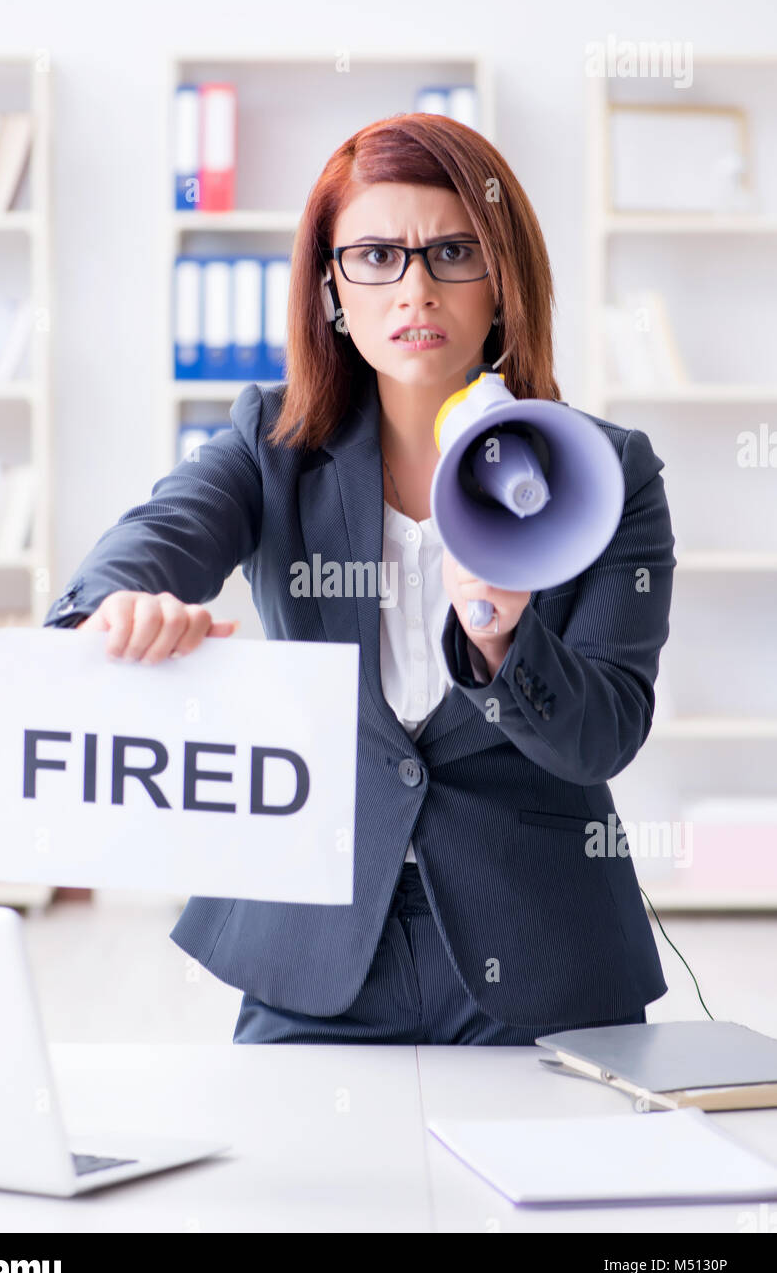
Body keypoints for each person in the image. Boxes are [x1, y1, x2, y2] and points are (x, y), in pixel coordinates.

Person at [44, 112, 675, 1044]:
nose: (414, 287)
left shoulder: (604, 472)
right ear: (331, 288)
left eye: (452, 251)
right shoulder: (272, 447)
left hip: (543, 957)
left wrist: (504, 640)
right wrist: (117, 609)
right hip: (313, 950)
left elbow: (603, 739)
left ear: (502, 280)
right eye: (375, 256)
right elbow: (153, 540)